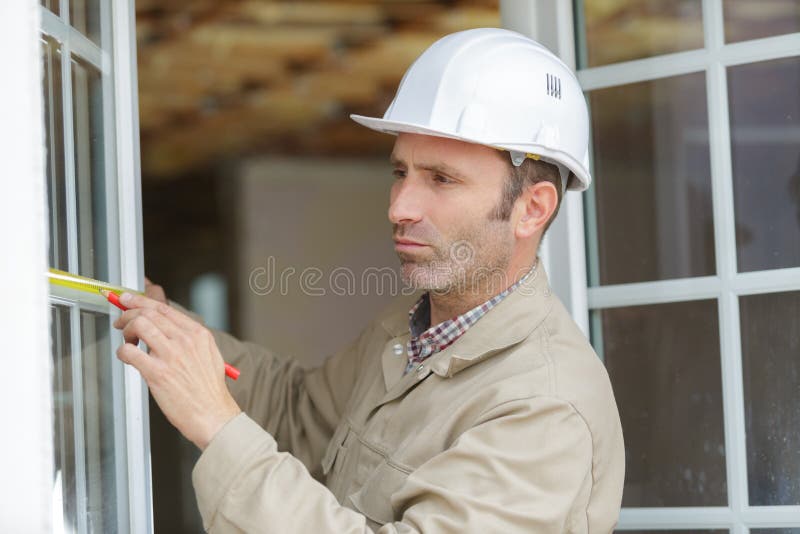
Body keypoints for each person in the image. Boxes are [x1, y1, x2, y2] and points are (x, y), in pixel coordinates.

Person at [114, 28, 625, 533]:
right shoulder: (407, 331)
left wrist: (216, 424)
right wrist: (168, 326)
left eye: (441, 179)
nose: (399, 207)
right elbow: (295, 411)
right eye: (400, 172)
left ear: (531, 209)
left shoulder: (544, 409)